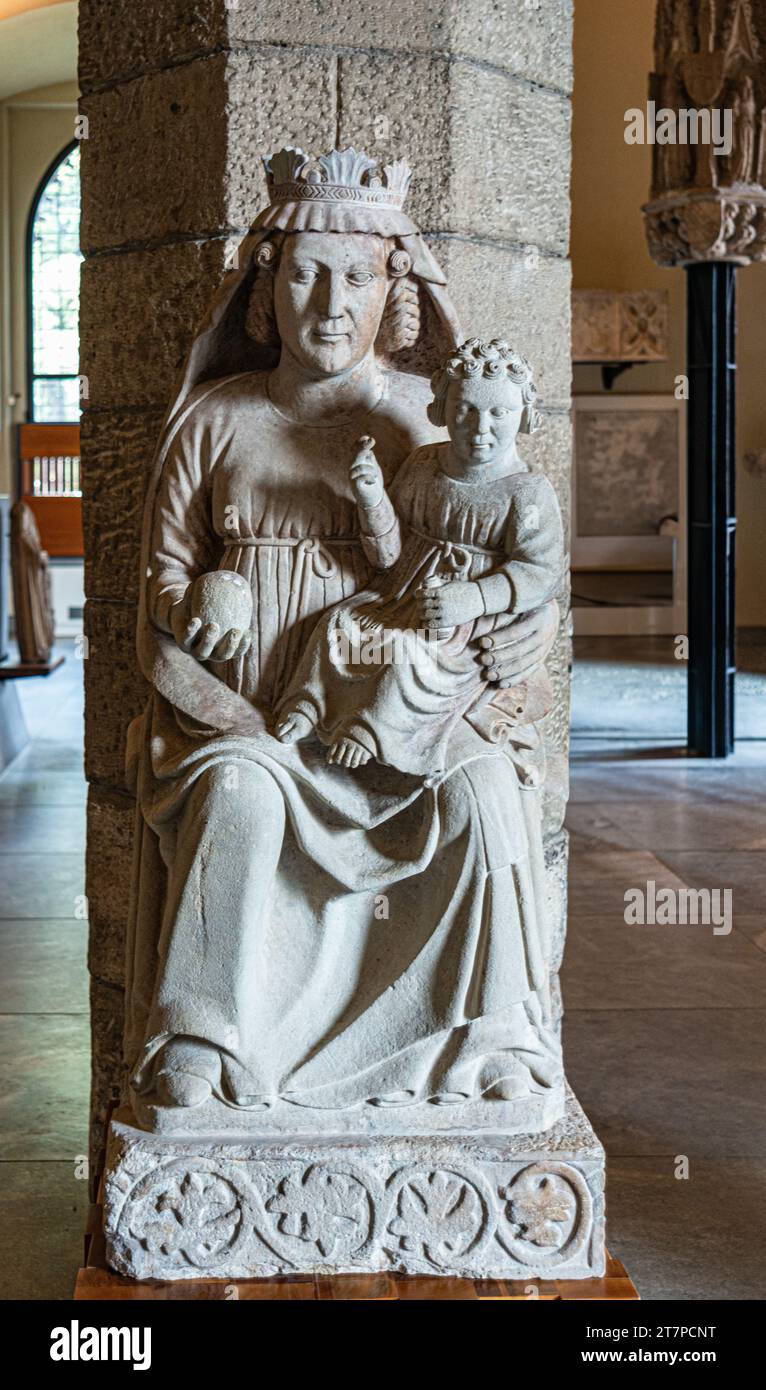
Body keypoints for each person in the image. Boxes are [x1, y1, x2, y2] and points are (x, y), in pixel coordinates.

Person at [126, 146, 564, 1121]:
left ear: (392, 293)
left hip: (404, 709)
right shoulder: (214, 420)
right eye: (305, 273)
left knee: (488, 788)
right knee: (239, 792)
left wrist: (517, 635)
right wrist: (205, 603)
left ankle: (486, 1038)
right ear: (266, 288)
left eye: (356, 276)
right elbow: (154, 586)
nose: (329, 302)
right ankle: (205, 1041)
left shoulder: (430, 419)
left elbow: (509, 556)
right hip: (250, 716)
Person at [276, 339, 564, 777]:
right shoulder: (424, 465)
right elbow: (389, 553)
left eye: (498, 413)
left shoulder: (527, 492)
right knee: (340, 624)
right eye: (465, 409)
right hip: (402, 597)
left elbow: (540, 573)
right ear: (442, 410)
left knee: (409, 654)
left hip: (465, 623)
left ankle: (371, 730)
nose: (480, 427)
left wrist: (473, 597)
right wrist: (372, 498)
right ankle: (310, 703)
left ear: (523, 415)